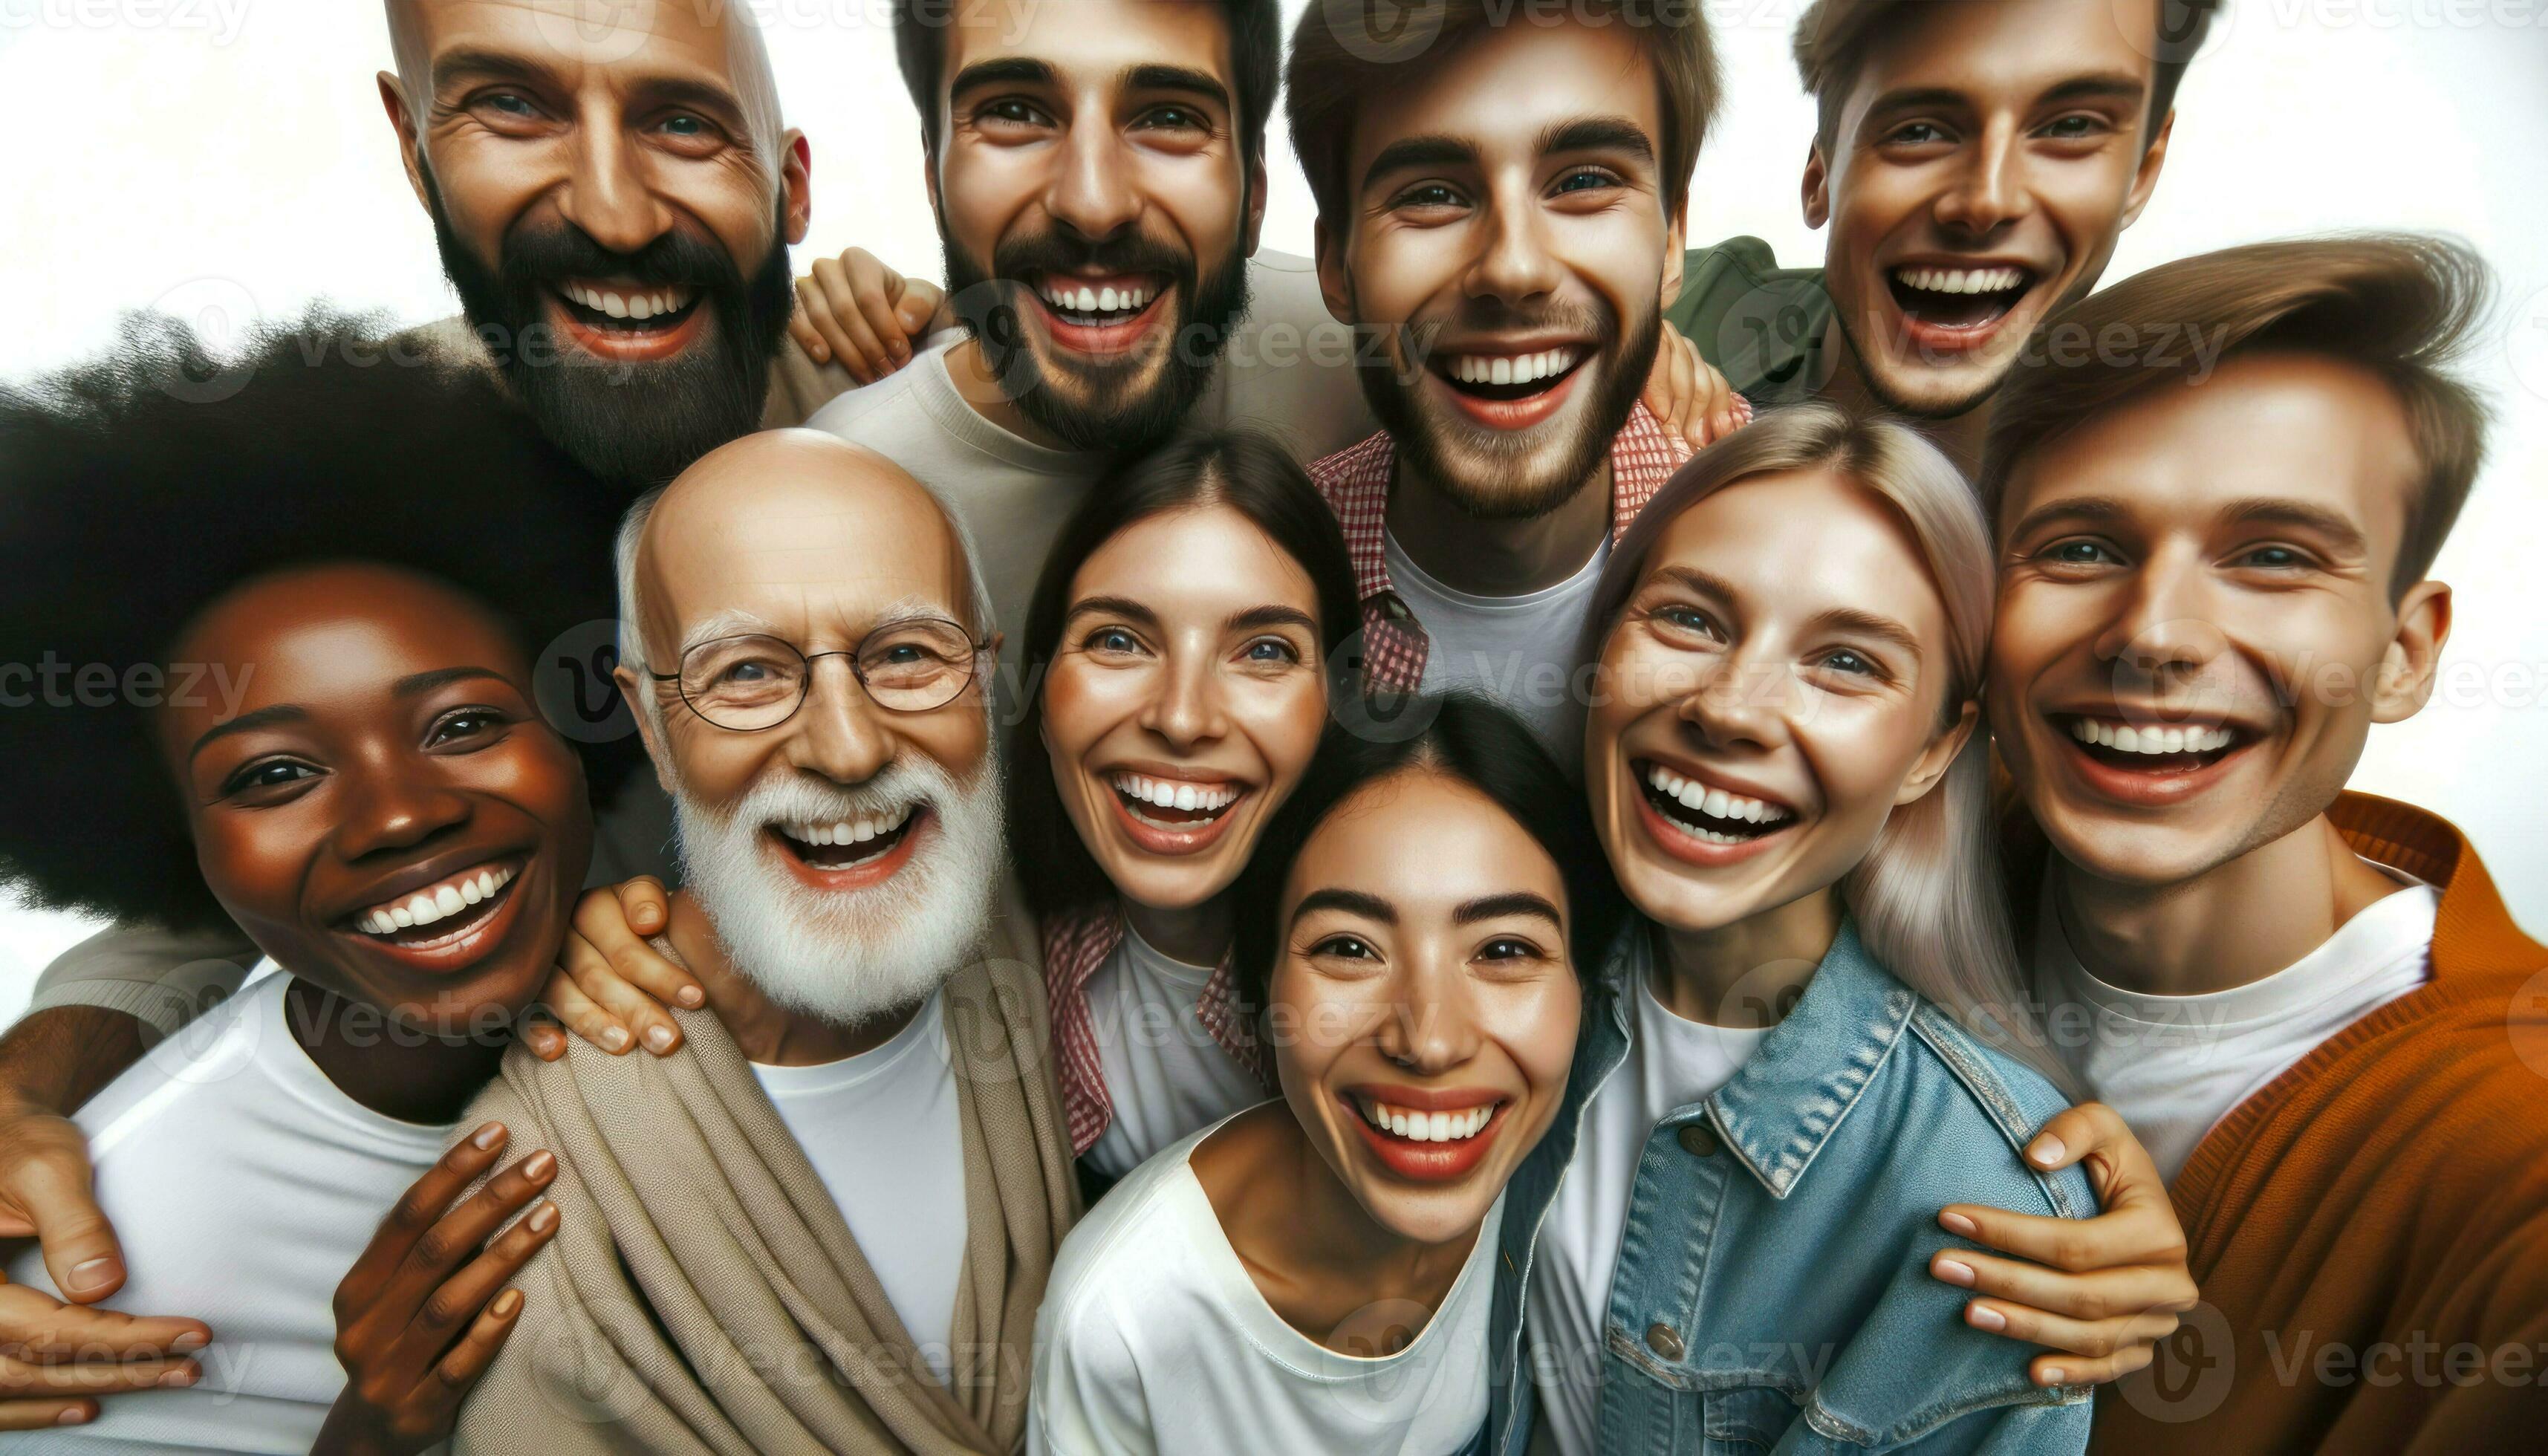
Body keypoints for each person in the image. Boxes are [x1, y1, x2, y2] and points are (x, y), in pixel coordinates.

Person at [1492, 405, 2199, 1454]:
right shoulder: (1508, 973)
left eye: (1847, 664)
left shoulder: (1990, 1213)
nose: (1730, 707)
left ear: (1931, 751)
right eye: (1687, 619)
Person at [0, 330, 625, 1447]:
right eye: (276, 773)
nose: (399, 813)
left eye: (467, 724)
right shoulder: (104, 1265)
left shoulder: (739, 1020)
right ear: (174, 845)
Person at [1979, 236, 2548, 1451]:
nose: (2156, 635)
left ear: (2406, 653)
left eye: (2275, 557)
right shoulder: (1863, 878)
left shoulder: (2518, 1169)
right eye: (2081, 546)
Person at [449, 430, 1073, 1453]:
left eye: (907, 654)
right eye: (745, 673)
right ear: (650, 722)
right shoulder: (544, 1199)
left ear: (985, 673)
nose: (848, 747)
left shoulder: (1033, 925)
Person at [805, 0, 1743, 657]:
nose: (1092, 203)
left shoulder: (1749, 505)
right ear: (931, 173)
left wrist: (1624, 344)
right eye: (1014, 113)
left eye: (1168, 117)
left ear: (1255, 194)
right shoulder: (844, 487)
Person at [1030, 696, 1621, 1455]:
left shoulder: (1560, 1178)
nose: (1430, 1041)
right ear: (1262, 985)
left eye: (1504, 951)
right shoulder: (1123, 1317)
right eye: (1349, 947)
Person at [1284, 0, 1738, 761]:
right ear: (1336, 264)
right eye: (1430, 194)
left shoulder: (1788, 538)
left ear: (1671, 243)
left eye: (1585, 181)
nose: (1511, 268)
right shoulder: (1264, 568)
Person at [1009, 432, 1358, 1185]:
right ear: (1041, 696)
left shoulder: (1398, 999)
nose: (1181, 716)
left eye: (1265, 650)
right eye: (1118, 640)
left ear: (1335, 707)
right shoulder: (991, 947)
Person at [1668, 0, 2216, 466]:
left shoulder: (2182, 467)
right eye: (1920, 132)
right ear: (1820, 178)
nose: (1986, 200)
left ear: (2143, 171)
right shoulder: (1659, 312)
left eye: (2071, 128)